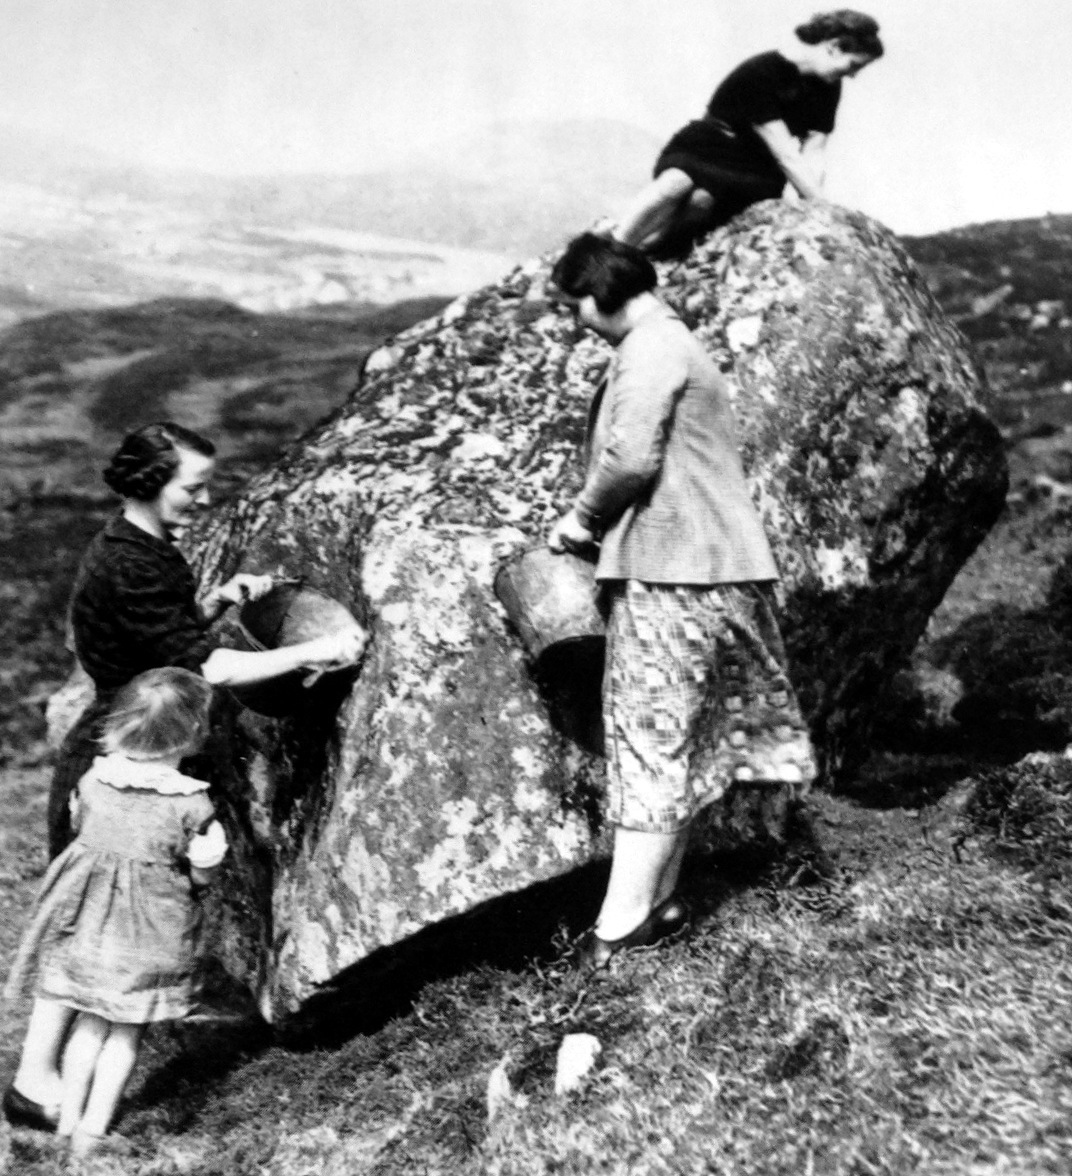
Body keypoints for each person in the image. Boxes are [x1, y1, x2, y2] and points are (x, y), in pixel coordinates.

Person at [10, 421, 364, 1132]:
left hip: (128, 744)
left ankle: (44, 1079)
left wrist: (217, 599)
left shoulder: (142, 547)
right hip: (118, 761)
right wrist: (317, 649)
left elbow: (166, 639)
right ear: (150, 483)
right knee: (88, 930)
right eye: (191, 488)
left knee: (91, 928)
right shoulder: (131, 564)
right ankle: (35, 1082)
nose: (202, 500)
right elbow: (208, 667)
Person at [546, 234, 815, 969]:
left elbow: (631, 457)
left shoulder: (650, 349)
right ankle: (659, 903)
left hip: (673, 571)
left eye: (576, 307)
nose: (577, 323)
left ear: (601, 292)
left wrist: (581, 519)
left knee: (649, 740)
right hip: (710, 568)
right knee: (676, 741)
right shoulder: (675, 342)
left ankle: (617, 930)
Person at [4, 669, 229, 1158]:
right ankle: (92, 1131)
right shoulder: (192, 803)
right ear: (194, 734)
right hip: (150, 932)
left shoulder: (94, 779)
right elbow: (206, 863)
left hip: (88, 924)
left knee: (88, 1023)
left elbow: (79, 822)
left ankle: (65, 1124)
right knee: (124, 1034)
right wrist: (195, 881)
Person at [612, 10, 883, 253]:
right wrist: (823, 209)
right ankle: (613, 247)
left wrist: (816, 206)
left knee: (700, 202)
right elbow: (786, 155)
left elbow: (815, 150)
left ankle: (652, 248)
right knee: (675, 183)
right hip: (709, 145)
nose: (853, 75)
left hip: (756, 168)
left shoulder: (829, 87)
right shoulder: (761, 72)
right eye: (853, 65)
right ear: (833, 47)